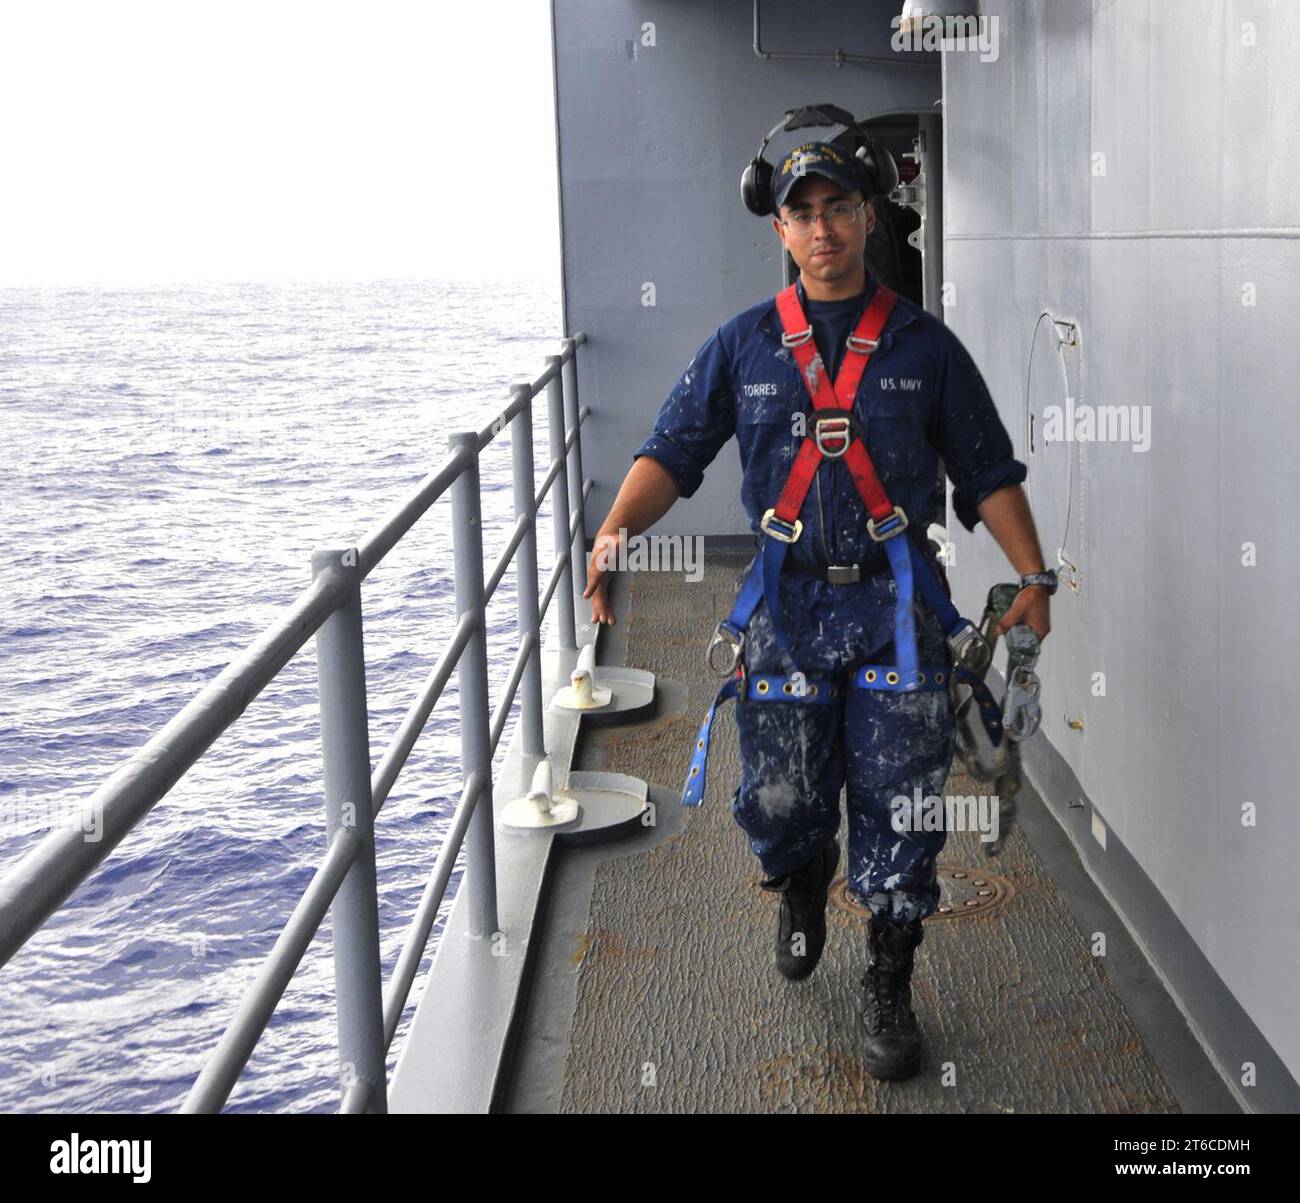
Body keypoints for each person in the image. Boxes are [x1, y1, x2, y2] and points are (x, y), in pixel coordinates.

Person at [583, 138, 1054, 1082]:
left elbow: (986, 469)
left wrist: (1034, 576)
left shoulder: (926, 349)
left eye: (840, 207)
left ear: (867, 218)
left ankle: (889, 974)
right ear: (781, 229)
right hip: (787, 612)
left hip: (896, 616)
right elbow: (674, 451)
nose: (824, 228)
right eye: (805, 212)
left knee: (902, 808)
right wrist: (613, 534)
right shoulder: (744, 345)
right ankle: (801, 881)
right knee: (780, 798)